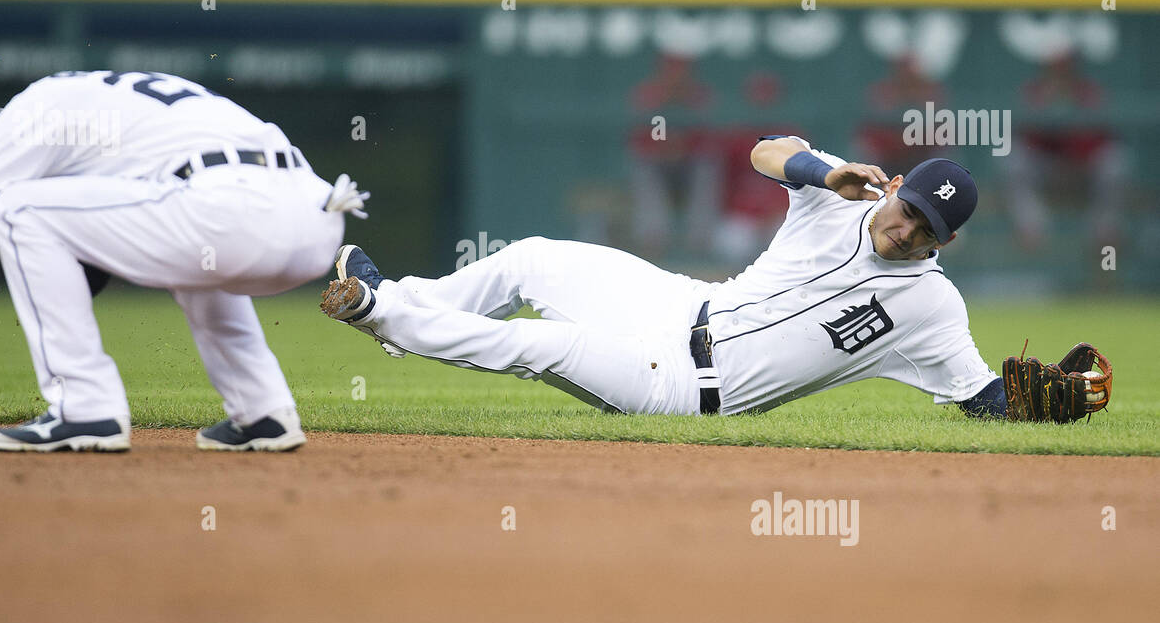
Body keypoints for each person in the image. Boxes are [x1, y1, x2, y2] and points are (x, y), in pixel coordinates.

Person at [318, 135, 1074, 420]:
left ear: (946, 243)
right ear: (899, 185)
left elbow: (980, 398)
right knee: (532, 257)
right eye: (908, 209)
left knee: (537, 344)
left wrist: (1055, 406)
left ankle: (378, 312)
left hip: (681, 388)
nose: (904, 229)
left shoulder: (932, 307)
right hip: (681, 301)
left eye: (925, 232)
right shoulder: (846, 194)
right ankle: (404, 305)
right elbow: (766, 151)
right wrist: (826, 169)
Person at [0, 70, 368, 451]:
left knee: (17, 210)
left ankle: (85, 407)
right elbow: (86, 272)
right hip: (315, 211)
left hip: (230, 208)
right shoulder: (91, 107)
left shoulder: (19, 118)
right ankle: (263, 412)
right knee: (193, 257)